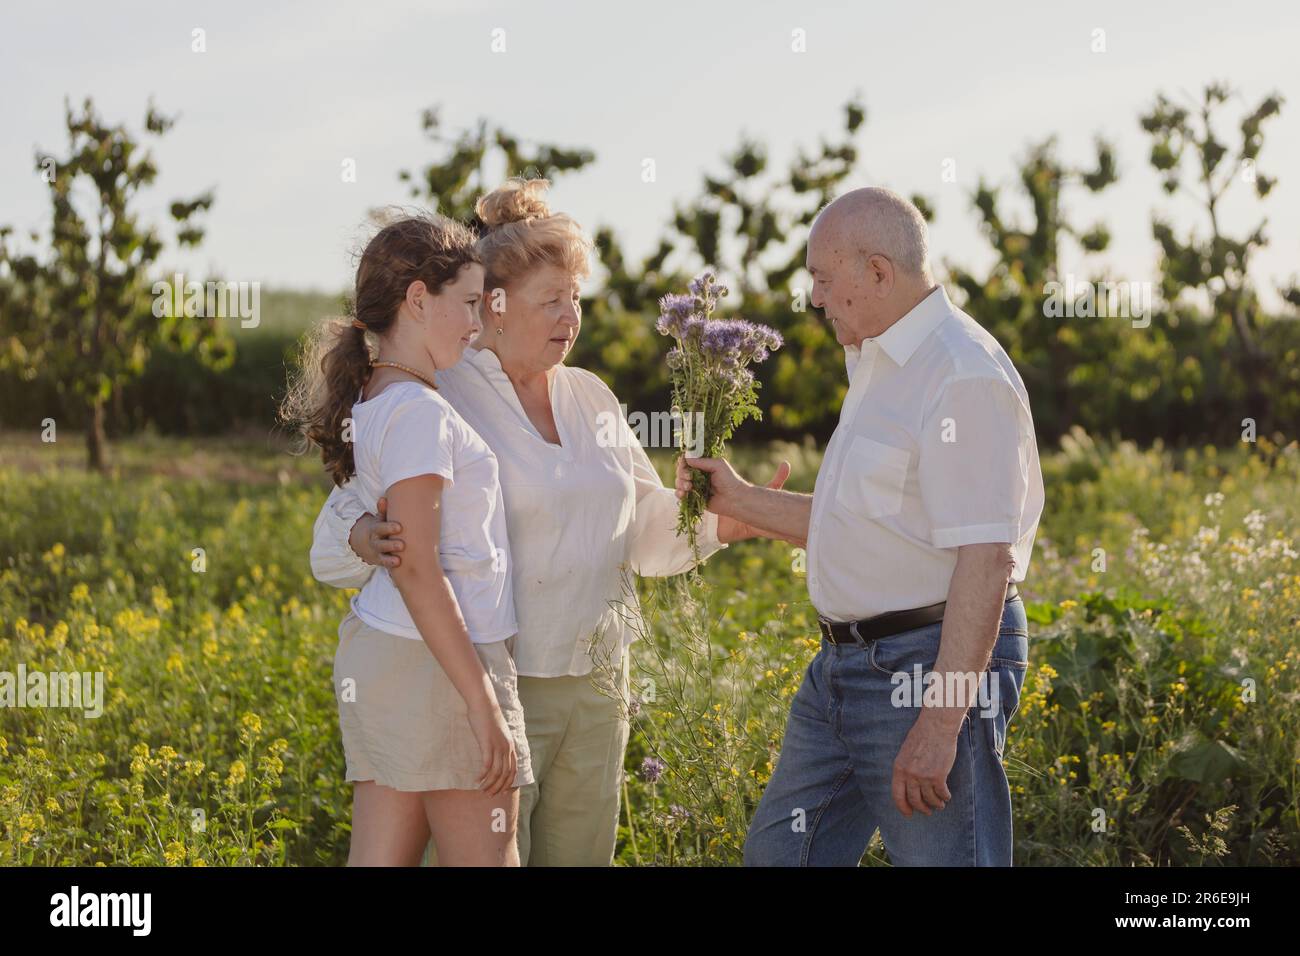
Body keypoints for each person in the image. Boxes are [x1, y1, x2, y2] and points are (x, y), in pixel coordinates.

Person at [310, 178, 788, 865]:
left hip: (599, 683)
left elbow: (642, 534)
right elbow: (342, 528)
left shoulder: (592, 396)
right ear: (494, 308)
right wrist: (360, 538)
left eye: (576, 299)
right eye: (551, 301)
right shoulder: (444, 390)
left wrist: (717, 526)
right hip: (495, 674)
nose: (571, 317)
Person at [676, 186, 1045, 866]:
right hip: (840, 671)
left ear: (878, 272)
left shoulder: (960, 374)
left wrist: (940, 723)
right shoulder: (878, 364)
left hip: (924, 664)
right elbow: (860, 524)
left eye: (822, 278)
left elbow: (986, 559)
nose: (814, 298)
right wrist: (737, 497)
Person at [282, 213, 531, 866]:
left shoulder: (380, 397)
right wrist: (483, 704)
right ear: (419, 299)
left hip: (386, 654)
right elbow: (418, 568)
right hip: (442, 665)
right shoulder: (420, 412)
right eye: (470, 303)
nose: (478, 323)